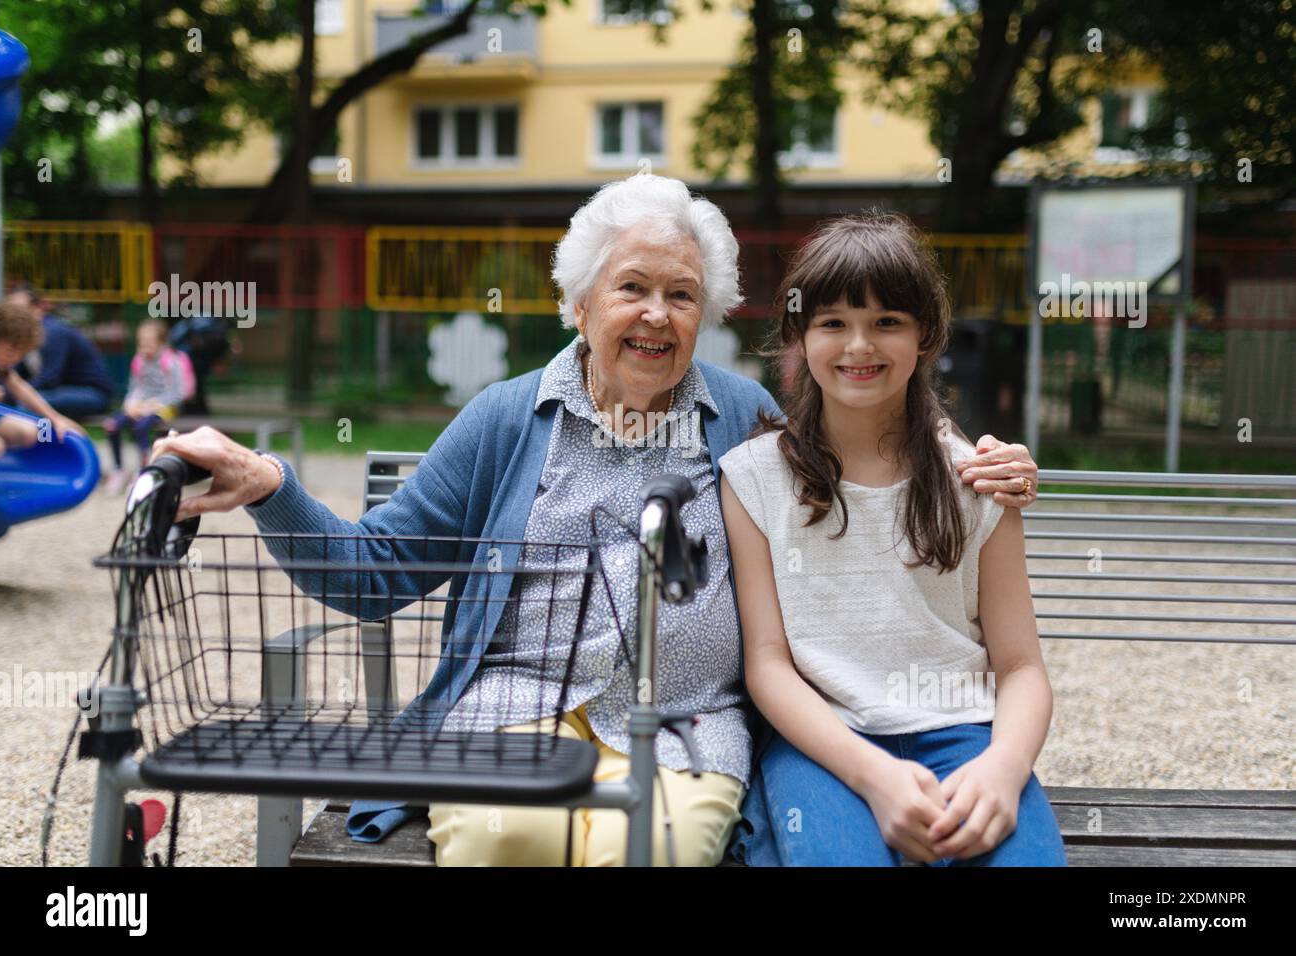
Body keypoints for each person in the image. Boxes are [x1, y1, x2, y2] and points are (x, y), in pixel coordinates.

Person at [144, 173, 1043, 866]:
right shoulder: (505, 419)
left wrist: (965, 449)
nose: (657, 314)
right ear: (579, 303)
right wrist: (268, 483)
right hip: (508, 712)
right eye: (632, 288)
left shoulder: (739, 417)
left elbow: (862, 399)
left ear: (708, 315)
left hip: (685, 721)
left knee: (658, 848)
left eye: (683, 295)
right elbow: (374, 574)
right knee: (507, 841)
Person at [718, 213, 1066, 866]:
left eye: (886, 322)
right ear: (798, 335)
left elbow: (1021, 667)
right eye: (833, 323)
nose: (859, 346)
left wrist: (1004, 768)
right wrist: (872, 777)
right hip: (825, 743)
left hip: (964, 735)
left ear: (925, 335)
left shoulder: (981, 479)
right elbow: (767, 663)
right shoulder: (752, 479)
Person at [102, 320, 190, 494]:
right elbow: (136, 387)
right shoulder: (139, 361)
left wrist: (152, 406)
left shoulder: (171, 361)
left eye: (148, 343)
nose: (143, 347)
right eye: (141, 343)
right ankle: (119, 470)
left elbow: (178, 393)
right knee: (112, 425)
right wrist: (130, 405)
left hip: (164, 407)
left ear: (161, 343)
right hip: (141, 406)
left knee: (141, 428)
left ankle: (144, 471)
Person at [7, 282, 115, 418]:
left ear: (38, 309)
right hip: (60, 390)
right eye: (12, 310)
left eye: (20, 310)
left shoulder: (53, 332)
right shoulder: (24, 335)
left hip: (92, 393)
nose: (15, 316)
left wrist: (9, 393)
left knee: (28, 403)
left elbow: (48, 380)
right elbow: (15, 372)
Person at [0, 299, 88, 457]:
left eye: (20, 355)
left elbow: (21, 388)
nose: (12, 360)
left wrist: (56, 419)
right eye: (10, 352)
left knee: (30, 432)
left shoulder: (3, 367)